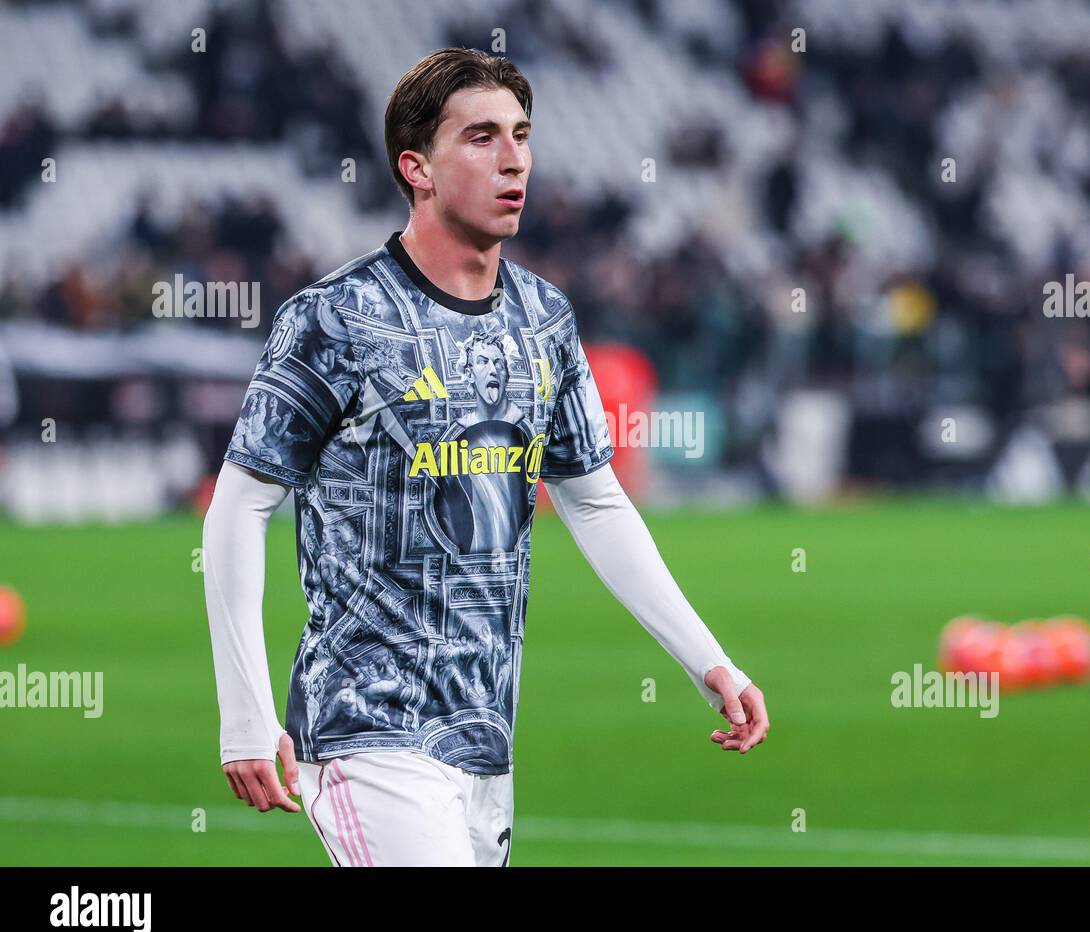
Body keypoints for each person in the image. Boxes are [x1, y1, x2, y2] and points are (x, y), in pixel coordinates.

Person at [203, 47, 768, 866]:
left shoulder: (544, 318)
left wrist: (706, 658)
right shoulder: (337, 318)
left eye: (521, 134)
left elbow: (596, 501)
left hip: (486, 738)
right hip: (369, 727)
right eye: (480, 137)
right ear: (417, 168)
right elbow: (239, 505)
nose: (513, 159)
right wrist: (246, 711)